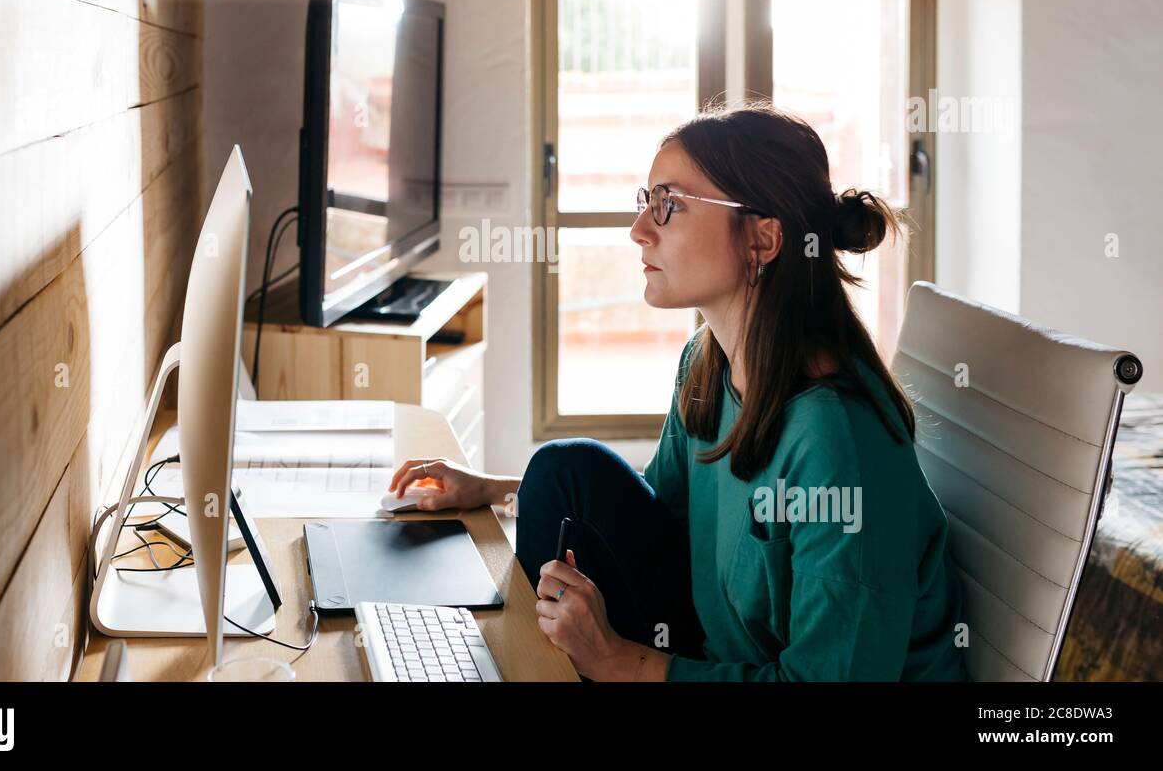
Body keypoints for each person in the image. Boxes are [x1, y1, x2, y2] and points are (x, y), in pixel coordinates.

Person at [387, 103, 969, 682]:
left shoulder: (837, 440)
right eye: (646, 201)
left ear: (763, 239)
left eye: (668, 205)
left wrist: (618, 661)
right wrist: (492, 491)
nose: (639, 230)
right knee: (565, 472)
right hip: (720, 649)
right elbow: (660, 512)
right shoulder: (706, 363)